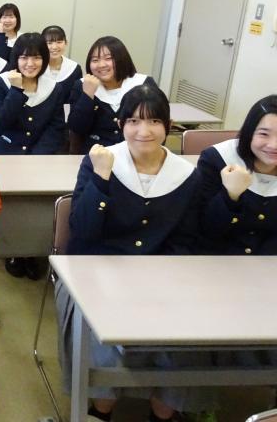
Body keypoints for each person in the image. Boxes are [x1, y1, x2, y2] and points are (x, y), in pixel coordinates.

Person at [56, 85, 205, 422]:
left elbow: (187, 239)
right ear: (121, 123)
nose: (144, 131)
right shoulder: (100, 160)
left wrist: (160, 280)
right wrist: (102, 179)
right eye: (134, 120)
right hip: (94, 269)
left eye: (154, 121)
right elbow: (84, 230)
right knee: (99, 324)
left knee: (183, 328)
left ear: (167, 126)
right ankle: (101, 405)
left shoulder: (186, 175)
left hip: (162, 273)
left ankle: (164, 409)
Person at [0, 32, 65, 281]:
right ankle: (12, 250)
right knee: (9, 204)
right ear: (15, 59)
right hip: (2, 155)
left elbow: (56, 128)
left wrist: (36, 158)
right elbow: (1, 123)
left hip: (40, 157)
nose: (30, 63)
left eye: (37, 57)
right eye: (24, 57)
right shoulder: (0, 84)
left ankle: (34, 251)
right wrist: (17, 90)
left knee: (42, 201)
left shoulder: (54, 87)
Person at [197, 94, 277, 255]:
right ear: (249, 133)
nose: (273, 145)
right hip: (218, 261)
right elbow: (204, 228)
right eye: (263, 134)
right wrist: (230, 196)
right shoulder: (216, 159)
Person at [67, 35, 157, 154]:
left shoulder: (143, 84)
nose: (101, 65)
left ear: (121, 59)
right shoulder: (82, 85)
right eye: (95, 60)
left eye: (108, 58)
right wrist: (87, 96)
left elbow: (155, 125)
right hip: (94, 155)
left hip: (135, 154)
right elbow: (77, 129)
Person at [41, 24, 82, 92]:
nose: (54, 47)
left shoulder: (74, 68)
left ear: (66, 43)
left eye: (59, 42)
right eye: (49, 43)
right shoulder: (36, 67)